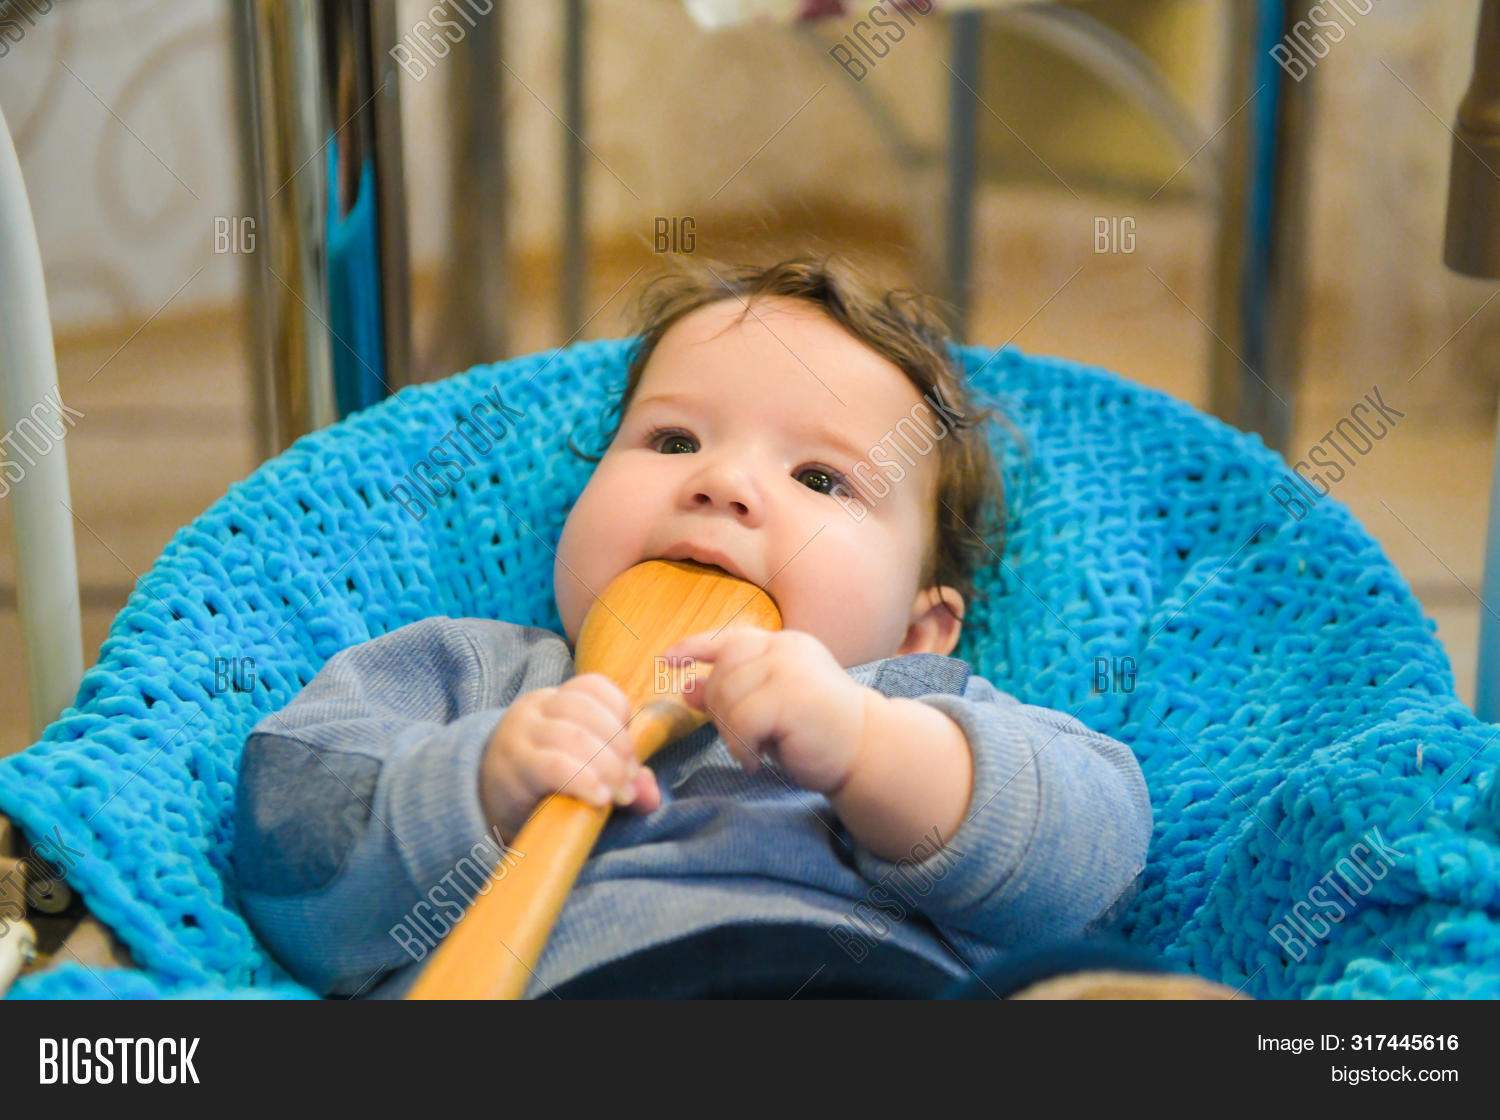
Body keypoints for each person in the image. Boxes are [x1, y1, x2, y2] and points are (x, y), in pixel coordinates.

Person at [231, 258, 1158, 999]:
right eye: (674, 441)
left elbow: (1098, 863)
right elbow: (289, 868)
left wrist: (870, 750)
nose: (723, 484)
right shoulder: (478, 673)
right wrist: (475, 784)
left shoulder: (919, 705)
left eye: (821, 479)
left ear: (923, 628)